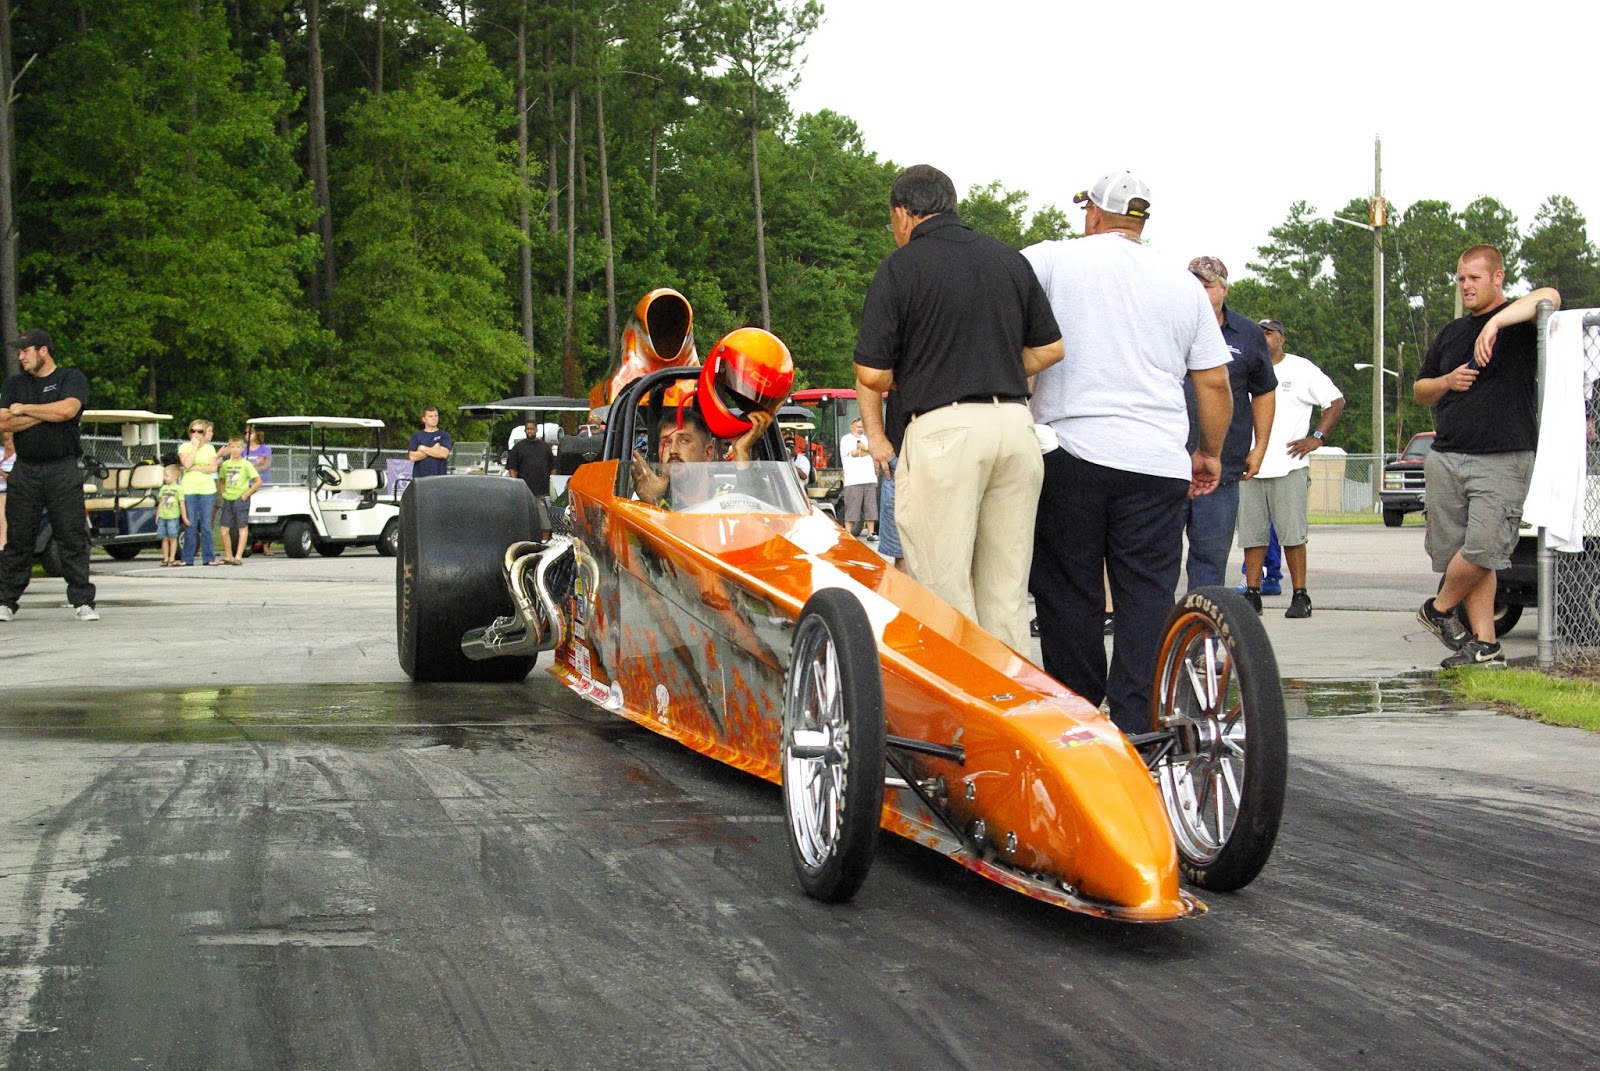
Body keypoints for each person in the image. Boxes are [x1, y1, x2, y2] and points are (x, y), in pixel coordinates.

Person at [1021, 171, 1233, 735]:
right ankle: (1138, 721)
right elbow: (1212, 383)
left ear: (1092, 213)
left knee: (1070, 592)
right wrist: (1207, 451)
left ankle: (1079, 716)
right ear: (1139, 221)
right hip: (1157, 460)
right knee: (1146, 593)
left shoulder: (1048, 260)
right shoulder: (1182, 283)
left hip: (1069, 449)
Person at [853, 164, 1064, 652]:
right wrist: (993, 365)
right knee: (1006, 595)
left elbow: (872, 375)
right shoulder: (1008, 259)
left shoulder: (901, 267)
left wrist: (925, 369)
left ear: (903, 214)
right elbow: (1052, 348)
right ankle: (1011, 708)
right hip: (1014, 426)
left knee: (942, 592)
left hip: (943, 430)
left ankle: (960, 718)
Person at [1414, 245, 1561, 669]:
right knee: (1459, 552)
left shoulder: (1517, 324)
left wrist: (1495, 322)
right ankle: (1486, 646)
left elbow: (1550, 295)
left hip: (1502, 456)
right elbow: (1422, 389)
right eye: (1461, 279)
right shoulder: (1450, 333)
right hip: (1446, 455)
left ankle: (1438, 610)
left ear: (1498, 278)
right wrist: (1447, 380)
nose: (1465, 286)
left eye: (1474, 278)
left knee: (1484, 548)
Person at [1237, 318, 1345, 618]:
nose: (1263, 337)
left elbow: (1335, 401)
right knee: (1252, 535)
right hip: (1251, 465)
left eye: (1269, 333)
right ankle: (1253, 592)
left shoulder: (1301, 369)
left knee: (1292, 535)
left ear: (1282, 338)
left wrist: (1317, 437)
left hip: (1289, 465)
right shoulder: (1244, 367)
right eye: (1258, 333)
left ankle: (1300, 595)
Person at [1182, 256, 1277, 589]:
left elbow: (1264, 391)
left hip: (1220, 466)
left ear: (1223, 289)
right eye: (1192, 285)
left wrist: (1261, 446)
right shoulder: (1167, 323)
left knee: (1209, 558)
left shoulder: (1248, 333)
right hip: (1167, 462)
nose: (1199, 292)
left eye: (1206, 286)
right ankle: (1159, 635)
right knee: (1156, 558)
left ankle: (1202, 635)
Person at [0, 328, 98, 621]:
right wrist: (43, 414)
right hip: (26, 468)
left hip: (62, 468)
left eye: (25, 351)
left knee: (71, 534)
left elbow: (67, 411)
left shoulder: (70, 378)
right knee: (19, 536)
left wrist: (25, 411)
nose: (20, 357)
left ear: (43, 350)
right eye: (19, 352)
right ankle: (6, 601)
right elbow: (4, 421)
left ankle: (82, 601)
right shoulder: (15, 384)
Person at [629, 404, 772, 509]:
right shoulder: (645, 502)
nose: (673, 450)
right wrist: (651, 501)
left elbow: (761, 522)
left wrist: (741, 452)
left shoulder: (729, 496)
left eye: (684, 441)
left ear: (708, 452)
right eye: (666, 443)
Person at [178, 418, 221, 566]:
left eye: (199, 431)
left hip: (207, 490)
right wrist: (194, 448)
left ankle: (209, 557)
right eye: (193, 431)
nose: (196, 434)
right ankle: (187, 558)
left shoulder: (210, 449)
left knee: (206, 525)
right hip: (189, 489)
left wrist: (196, 468)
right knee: (190, 524)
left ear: (204, 433)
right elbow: (186, 463)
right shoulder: (184, 447)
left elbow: (213, 468)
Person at [506, 417, 555, 540]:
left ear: (536, 430)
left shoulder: (545, 447)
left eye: (532, 429)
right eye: (527, 429)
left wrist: (551, 481)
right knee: (525, 520)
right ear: (525, 430)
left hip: (542, 490)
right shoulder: (518, 447)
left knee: (544, 521)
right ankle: (525, 541)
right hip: (525, 491)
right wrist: (516, 483)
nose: (530, 431)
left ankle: (544, 541)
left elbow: (553, 467)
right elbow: (512, 467)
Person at [216, 435, 262, 565]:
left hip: (240, 498)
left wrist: (246, 494)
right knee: (224, 529)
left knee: (242, 527)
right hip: (228, 499)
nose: (235, 449)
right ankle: (229, 555)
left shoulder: (246, 464)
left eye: (237, 447)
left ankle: (238, 556)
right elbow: (222, 480)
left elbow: (258, 482)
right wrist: (223, 492)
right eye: (232, 447)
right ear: (229, 448)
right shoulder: (226, 464)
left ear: (242, 448)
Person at [838, 416, 878, 540]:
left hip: (869, 478)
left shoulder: (867, 439)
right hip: (853, 480)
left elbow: (875, 452)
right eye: (858, 427)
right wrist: (869, 451)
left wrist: (865, 448)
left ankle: (871, 533)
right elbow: (855, 454)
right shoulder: (846, 439)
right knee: (852, 508)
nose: (861, 429)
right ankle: (848, 533)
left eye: (862, 427)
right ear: (852, 427)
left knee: (870, 508)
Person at [408, 406, 452, 478]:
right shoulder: (416, 436)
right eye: (430, 416)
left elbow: (443, 454)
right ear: (424, 419)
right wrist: (434, 449)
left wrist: (422, 448)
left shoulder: (444, 435)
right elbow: (412, 457)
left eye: (436, 416)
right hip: (420, 479)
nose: (434, 418)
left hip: (439, 478)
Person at [155, 464, 186, 566]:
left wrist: (184, 516)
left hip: (173, 517)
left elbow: (181, 503)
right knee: (164, 538)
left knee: (173, 537)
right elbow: (161, 502)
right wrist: (157, 514)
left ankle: (172, 557)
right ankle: (165, 557)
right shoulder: (163, 488)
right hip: (163, 516)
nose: (164, 478)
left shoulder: (179, 489)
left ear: (175, 477)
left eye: (167, 475)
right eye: (164, 475)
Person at [0, 429, 14, 550]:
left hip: (9, 490)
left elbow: (16, 478)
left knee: (2, 503)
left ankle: (2, 545)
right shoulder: (0, 452)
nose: (7, 442)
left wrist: (2, 474)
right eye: (5, 439)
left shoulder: (19, 457)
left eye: (10, 439)